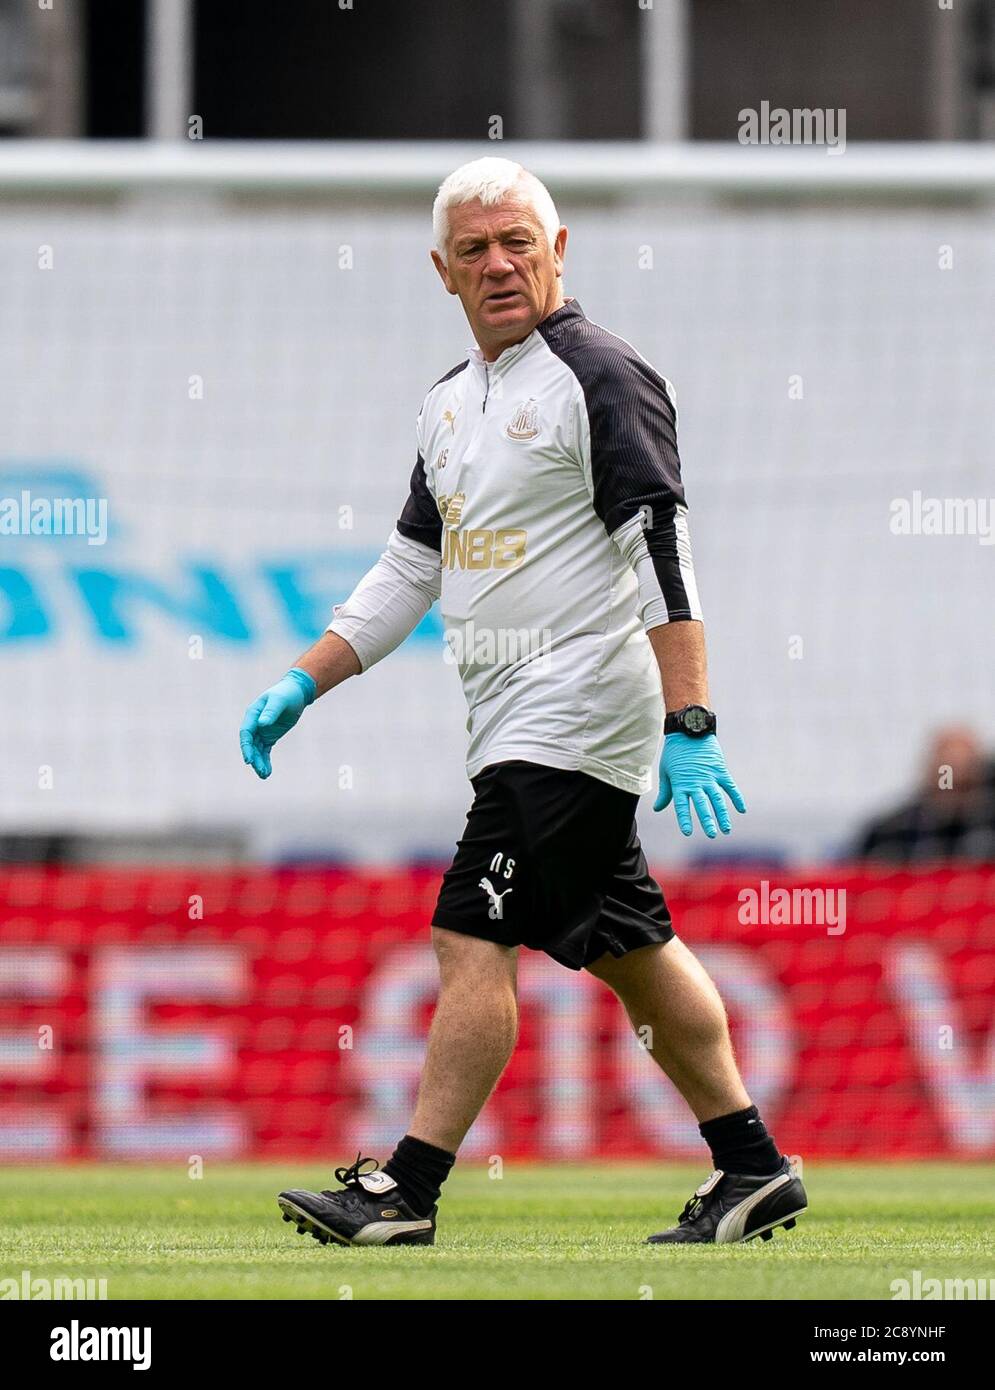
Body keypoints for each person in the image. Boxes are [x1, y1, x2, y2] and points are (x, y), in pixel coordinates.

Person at [240, 157, 807, 1247]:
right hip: (506, 720)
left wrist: (690, 720)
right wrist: (300, 682)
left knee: (467, 937)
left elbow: (661, 546)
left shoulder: (600, 372)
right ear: (441, 270)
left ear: (558, 250)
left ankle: (405, 1191)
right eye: (474, 249)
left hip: (578, 707)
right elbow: (409, 569)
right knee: (629, 946)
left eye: (517, 242)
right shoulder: (449, 404)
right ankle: (751, 1168)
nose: (498, 263)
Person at [855, 726, 995, 863]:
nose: (952, 786)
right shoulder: (890, 832)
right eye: (946, 777)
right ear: (930, 772)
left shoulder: (988, 827)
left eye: (964, 785)